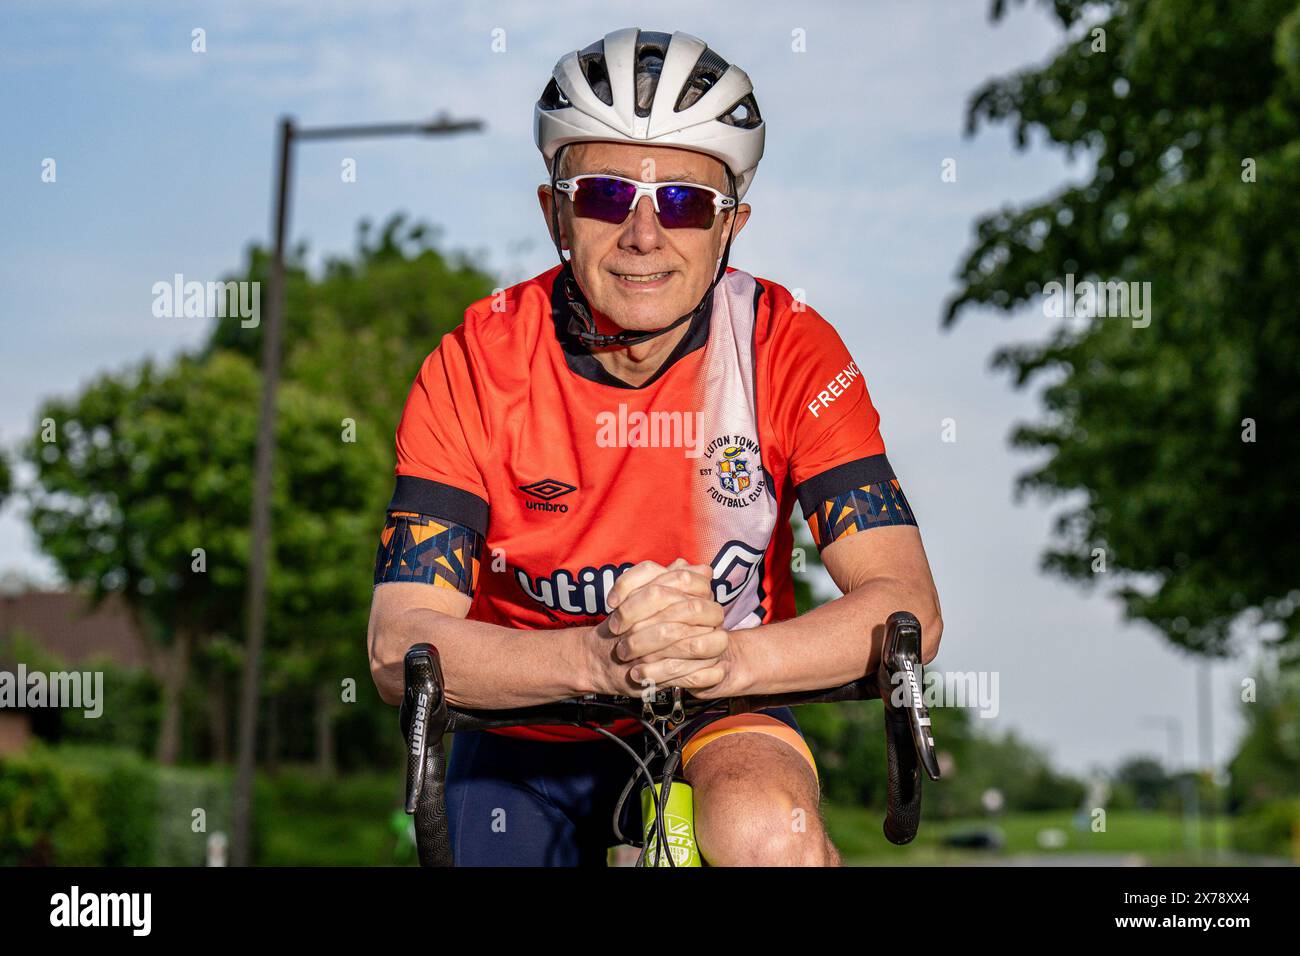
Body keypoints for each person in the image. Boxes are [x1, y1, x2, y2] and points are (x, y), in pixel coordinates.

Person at [368, 27, 942, 866]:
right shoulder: (477, 361)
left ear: (731, 226)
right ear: (554, 210)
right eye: (604, 195)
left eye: (683, 203)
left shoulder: (790, 345)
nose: (643, 234)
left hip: (725, 707)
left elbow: (908, 609)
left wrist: (724, 660)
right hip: (527, 721)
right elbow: (397, 644)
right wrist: (601, 658)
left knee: (761, 835)